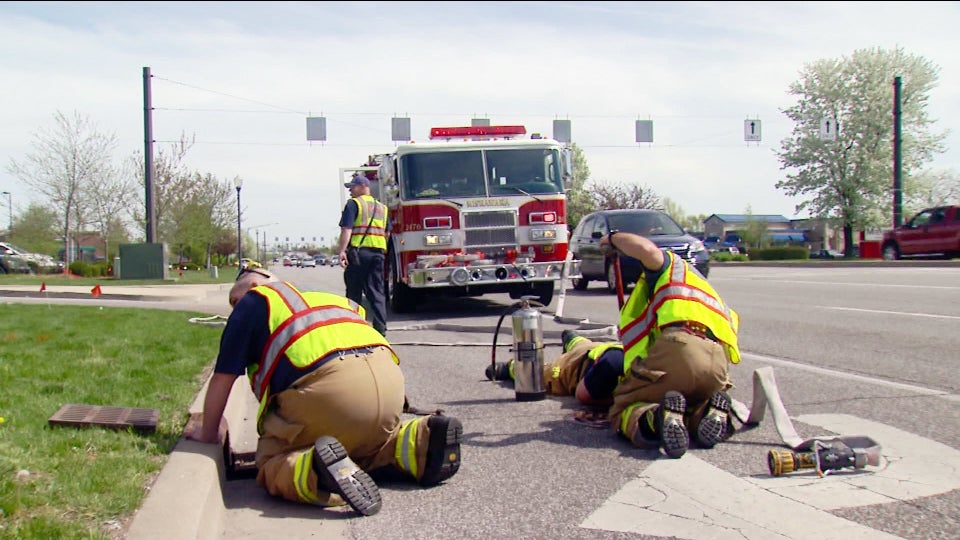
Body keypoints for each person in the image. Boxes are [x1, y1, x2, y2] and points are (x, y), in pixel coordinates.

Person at [185, 267, 462, 516]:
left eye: (235, 299)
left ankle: (316, 470)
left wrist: (209, 432)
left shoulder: (255, 302)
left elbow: (223, 378)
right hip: (390, 388)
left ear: (256, 286)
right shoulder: (331, 301)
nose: (235, 307)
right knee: (374, 444)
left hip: (330, 395)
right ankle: (422, 440)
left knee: (270, 463)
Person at [600, 230, 740, 459]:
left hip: (681, 349)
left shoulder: (671, 269)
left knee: (622, 407)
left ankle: (654, 418)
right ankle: (705, 412)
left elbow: (646, 250)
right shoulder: (709, 294)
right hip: (717, 366)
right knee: (690, 401)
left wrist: (612, 239)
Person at [337, 172, 389, 336]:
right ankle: (380, 330)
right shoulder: (383, 208)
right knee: (376, 291)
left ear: (362, 187)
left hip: (359, 253)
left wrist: (342, 251)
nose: (350, 191)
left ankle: (354, 329)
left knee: (354, 292)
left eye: (352, 187)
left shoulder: (354, 204)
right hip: (378, 254)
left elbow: (347, 229)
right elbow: (387, 233)